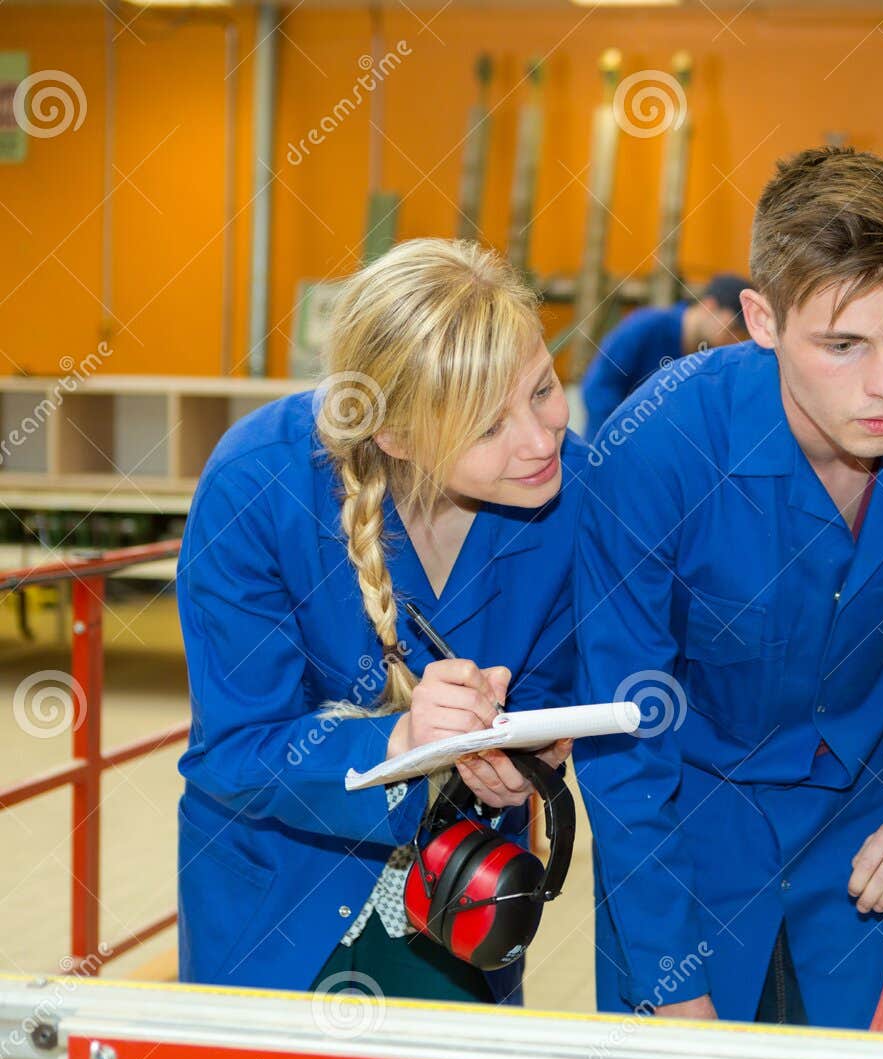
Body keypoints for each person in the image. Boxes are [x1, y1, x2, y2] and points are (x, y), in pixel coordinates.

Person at [572, 146, 883, 1029]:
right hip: (681, 839)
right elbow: (620, 734)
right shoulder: (654, 448)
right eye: (842, 344)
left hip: (873, 841)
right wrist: (678, 998)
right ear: (762, 320)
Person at [176, 238, 582, 1005]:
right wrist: (399, 742)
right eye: (487, 427)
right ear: (395, 437)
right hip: (276, 904)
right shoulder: (256, 483)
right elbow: (233, 751)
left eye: (544, 388)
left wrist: (532, 753)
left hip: (462, 899)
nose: (540, 438)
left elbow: (571, 692)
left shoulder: (571, 494)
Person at [579, 274, 752, 439]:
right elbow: (597, 390)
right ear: (709, 306)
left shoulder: (712, 359)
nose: (734, 339)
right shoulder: (646, 327)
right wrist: (615, 446)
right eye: (734, 328)